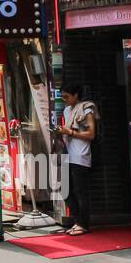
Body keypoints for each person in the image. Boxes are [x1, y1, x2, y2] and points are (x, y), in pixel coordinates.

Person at [58, 83, 97, 236]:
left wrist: (71, 132)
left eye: (67, 96)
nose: (64, 99)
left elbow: (91, 134)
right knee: (66, 190)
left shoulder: (87, 109)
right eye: (63, 96)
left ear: (76, 95)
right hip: (69, 153)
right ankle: (77, 221)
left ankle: (83, 224)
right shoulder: (67, 110)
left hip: (81, 155)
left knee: (81, 191)